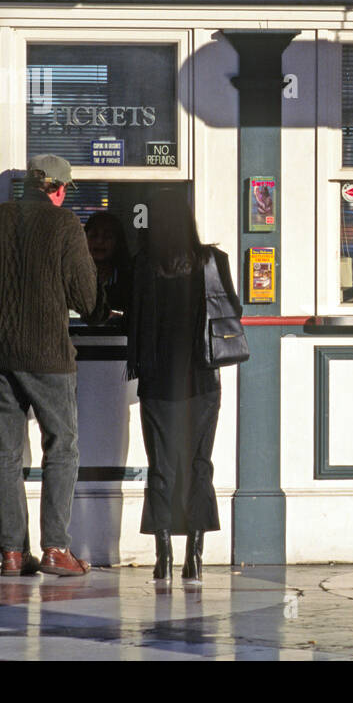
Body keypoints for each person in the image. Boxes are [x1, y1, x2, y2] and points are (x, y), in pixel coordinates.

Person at [0, 154, 106, 577]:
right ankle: (55, 549)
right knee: (62, 447)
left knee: (3, 452)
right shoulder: (66, 225)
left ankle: (13, 554)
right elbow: (88, 300)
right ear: (58, 189)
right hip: (47, 354)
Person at [126, 189, 239, 584]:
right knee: (199, 465)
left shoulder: (142, 264)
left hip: (157, 383)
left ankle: (163, 556)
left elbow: (125, 311)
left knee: (161, 466)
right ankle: (195, 555)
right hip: (203, 380)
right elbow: (233, 311)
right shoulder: (213, 261)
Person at [85, 210, 132, 313]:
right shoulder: (72, 277)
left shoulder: (131, 280)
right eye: (94, 235)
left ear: (117, 242)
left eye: (107, 236)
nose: (99, 241)